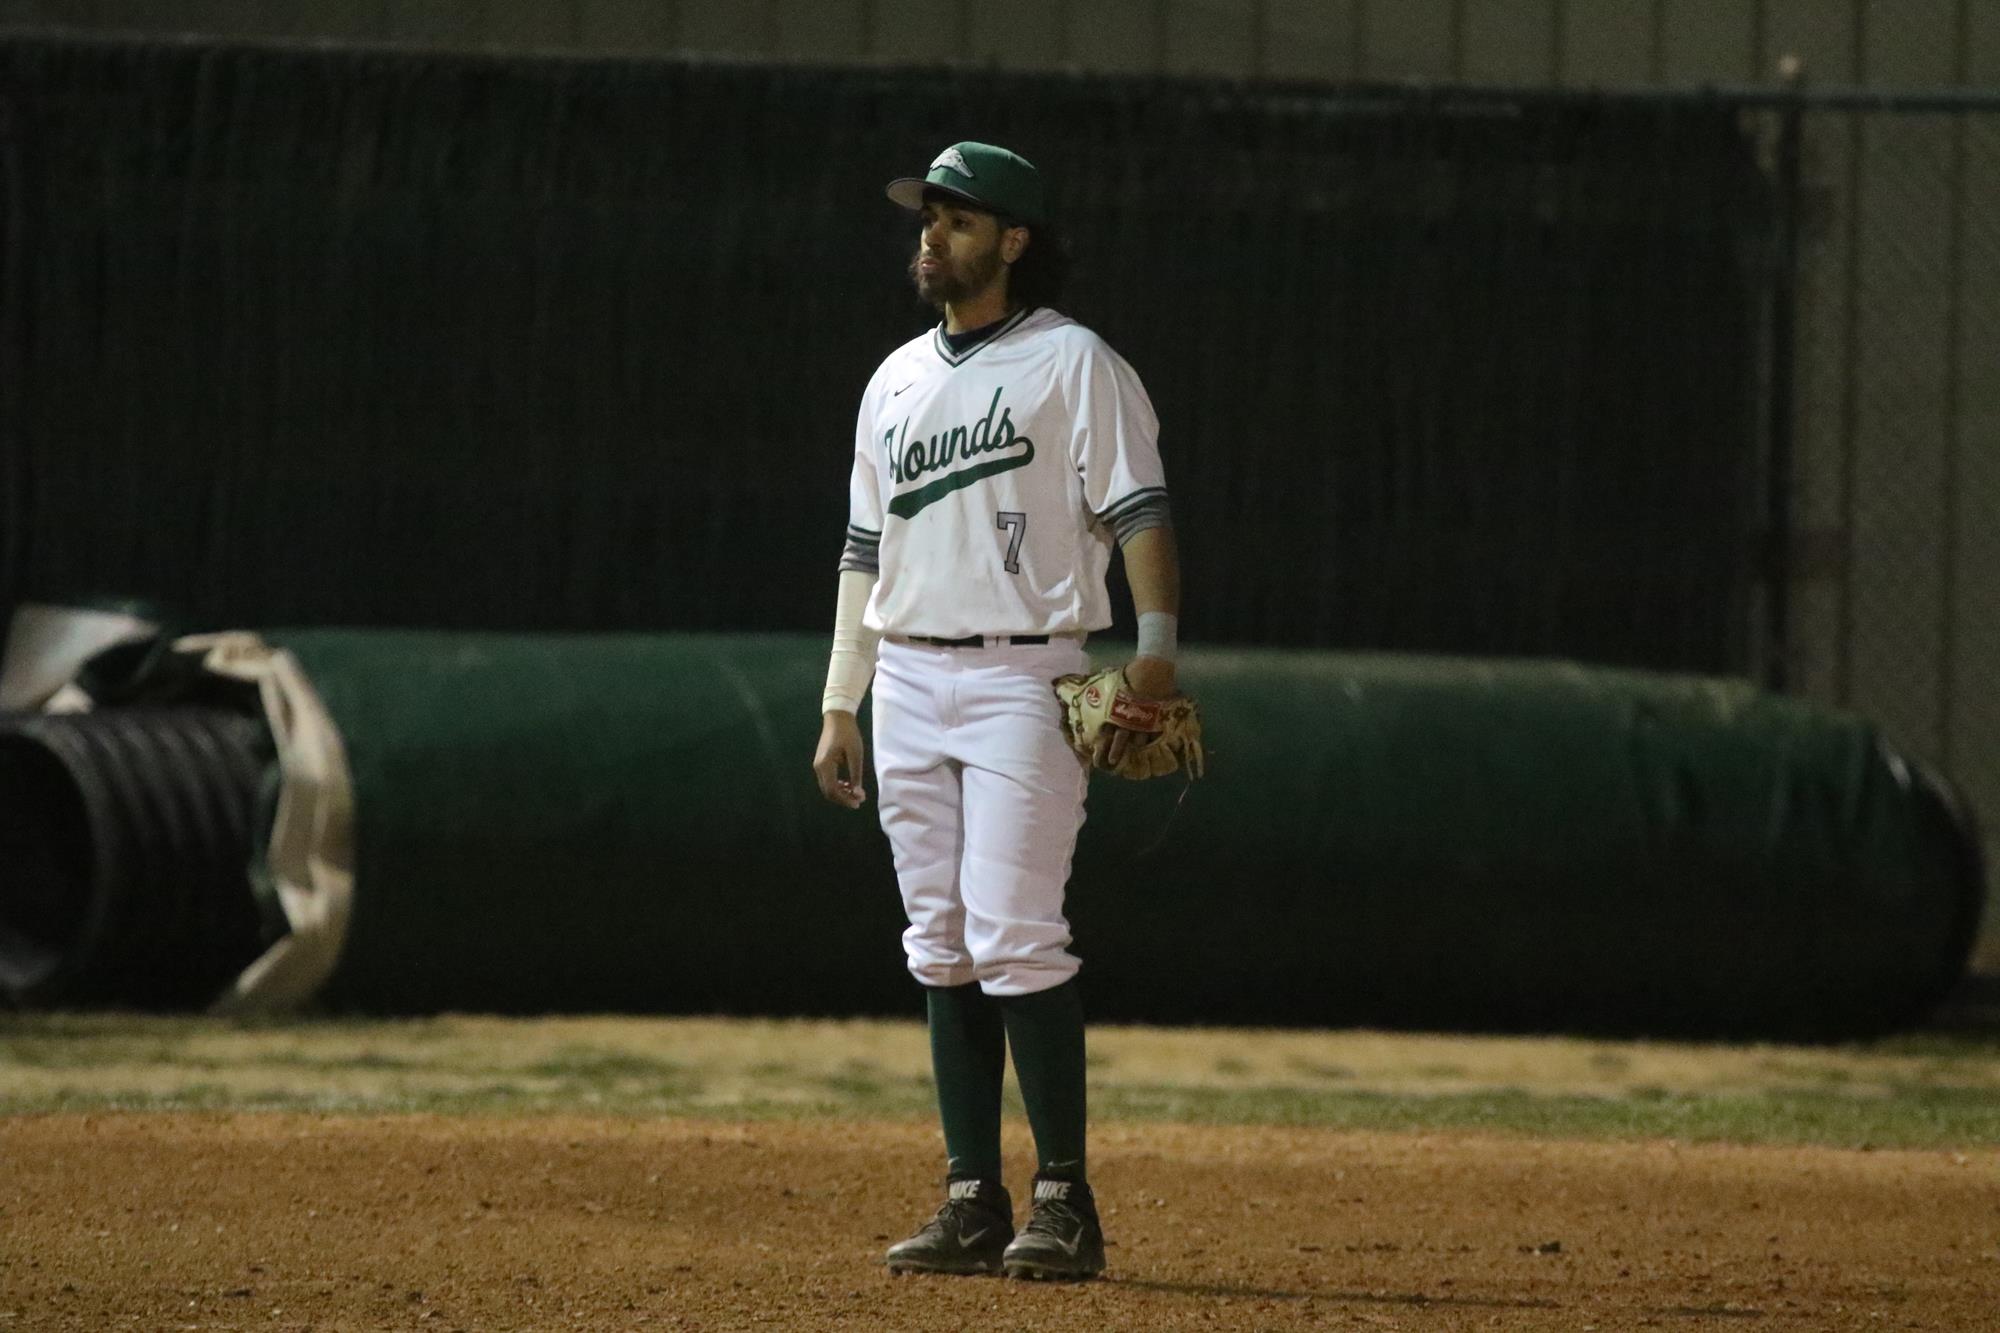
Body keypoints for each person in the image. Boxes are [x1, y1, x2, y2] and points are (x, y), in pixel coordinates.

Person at [811, 141, 1182, 1282]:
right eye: (927, 218)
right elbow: (863, 553)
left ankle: (1065, 1200)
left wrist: (1155, 653)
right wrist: (840, 703)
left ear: (1013, 240)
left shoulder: (1074, 364)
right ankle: (971, 1194)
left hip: (1028, 675)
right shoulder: (893, 381)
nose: (930, 236)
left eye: (957, 220)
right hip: (909, 680)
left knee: (1015, 930)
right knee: (941, 940)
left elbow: (1138, 516)